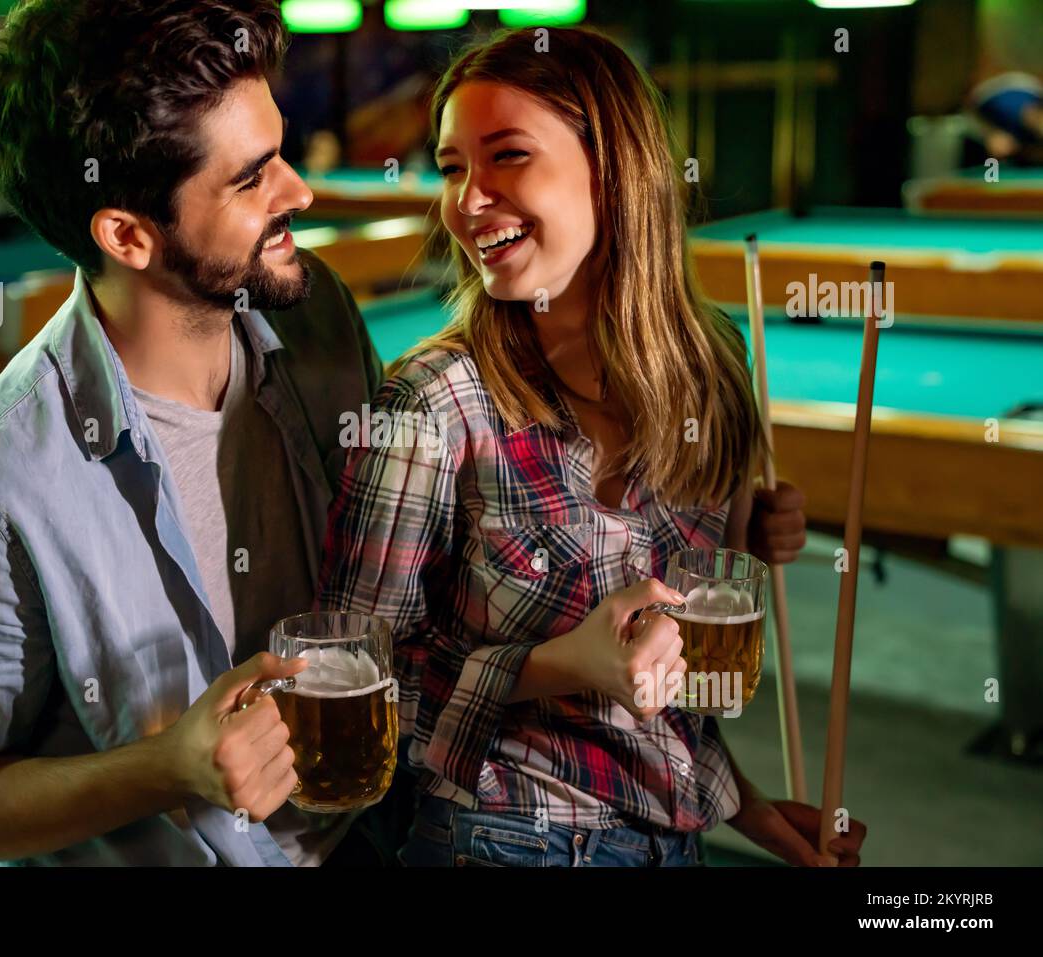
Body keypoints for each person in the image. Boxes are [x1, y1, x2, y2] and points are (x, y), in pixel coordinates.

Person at [0, 0, 385, 867]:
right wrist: (163, 768)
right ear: (129, 235)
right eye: (251, 179)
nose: (299, 192)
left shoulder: (319, 317)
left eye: (280, 152)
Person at [318, 27, 867, 867]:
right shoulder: (433, 399)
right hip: (496, 840)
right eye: (453, 167)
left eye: (507, 156)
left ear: (614, 169)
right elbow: (356, 695)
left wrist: (753, 812)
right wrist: (555, 665)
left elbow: (678, 693)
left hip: (673, 843)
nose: (466, 200)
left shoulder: (716, 368)